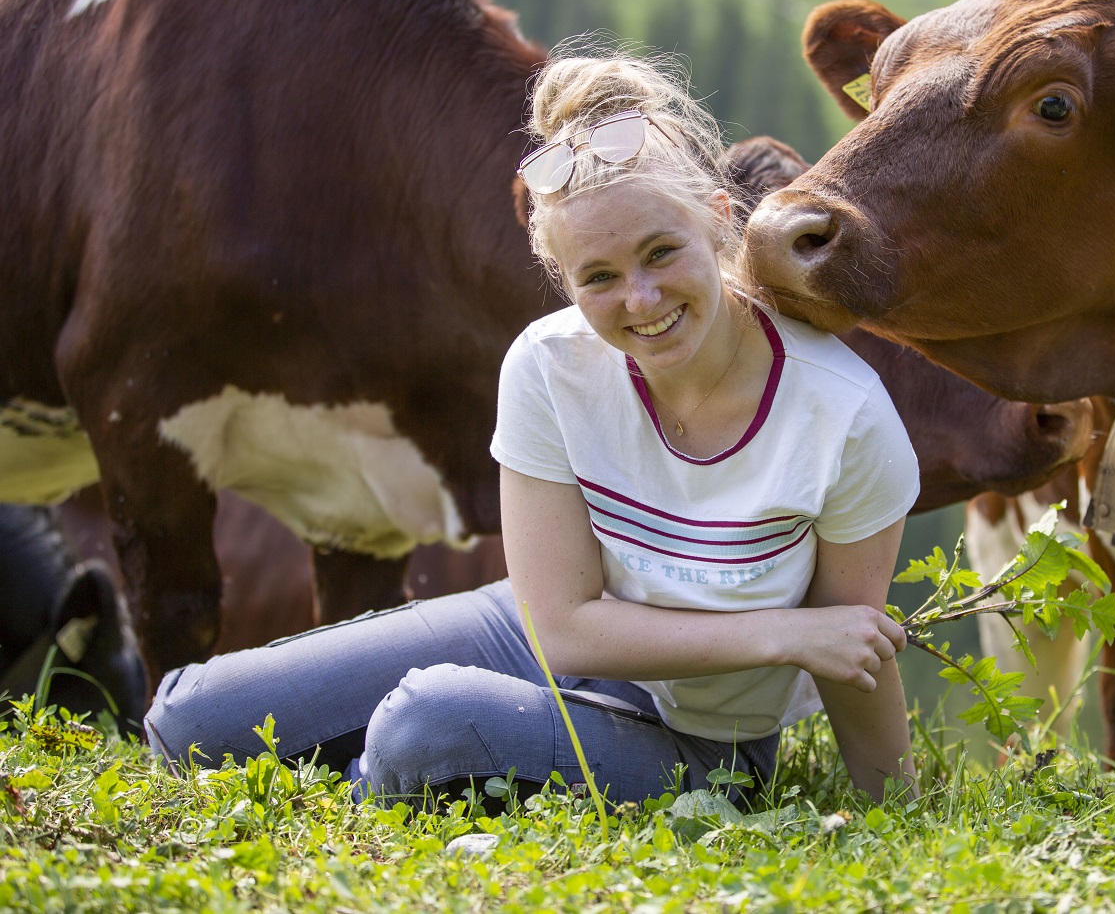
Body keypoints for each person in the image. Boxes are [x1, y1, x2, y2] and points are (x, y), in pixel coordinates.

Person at [145, 51, 920, 804]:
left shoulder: (842, 415)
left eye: (661, 253)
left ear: (717, 221)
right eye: (599, 277)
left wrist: (893, 805)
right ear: (563, 277)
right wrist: (781, 635)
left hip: (703, 737)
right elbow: (562, 628)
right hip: (541, 635)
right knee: (188, 721)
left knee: (425, 727)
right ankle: (396, 768)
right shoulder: (549, 365)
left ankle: (378, 781)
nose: (641, 299)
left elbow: (850, 643)